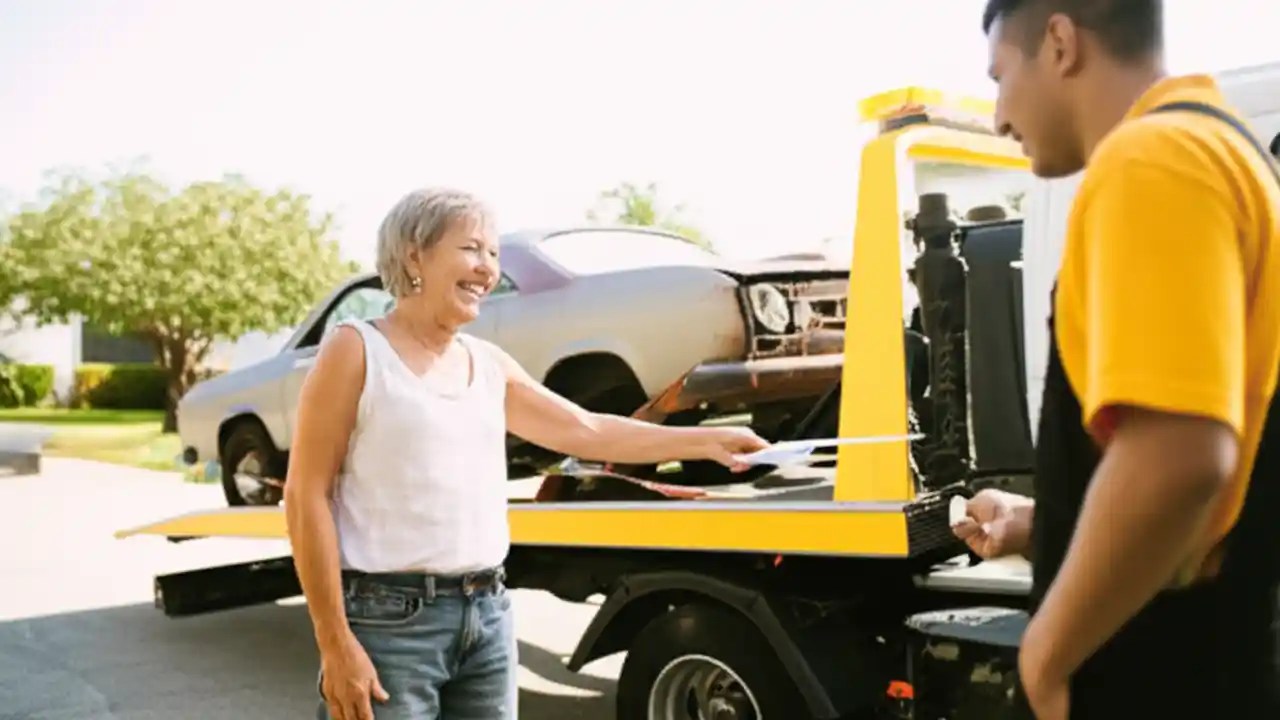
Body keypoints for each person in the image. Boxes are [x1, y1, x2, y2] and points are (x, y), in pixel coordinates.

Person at [284, 187, 770, 720]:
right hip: (388, 622)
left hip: (487, 613)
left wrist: (703, 440)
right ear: (414, 255)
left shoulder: (487, 363)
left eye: (493, 254)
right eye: (471, 248)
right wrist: (334, 642)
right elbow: (306, 494)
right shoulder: (356, 349)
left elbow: (585, 430)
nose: (488, 268)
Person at [953, 1, 1280, 718]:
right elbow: (1213, 488)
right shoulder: (1229, 151)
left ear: (1061, 42)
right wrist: (1047, 524)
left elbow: (1181, 457)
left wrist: (1046, 651)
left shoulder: (1150, 158)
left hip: (1155, 677)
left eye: (1001, 76)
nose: (1000, 116)